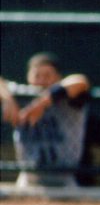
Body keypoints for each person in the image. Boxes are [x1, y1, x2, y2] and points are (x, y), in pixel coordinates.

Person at [0, 52, 90, 187]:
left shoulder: (67, 98)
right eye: (37, 75)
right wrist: (7, 98)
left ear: (58, 77)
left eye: (47, 75)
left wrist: (41, 103)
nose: (41, 81)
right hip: (28, 179)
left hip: (64, 179)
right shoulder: (22, 94)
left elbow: (81, 81)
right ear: (28, 77)